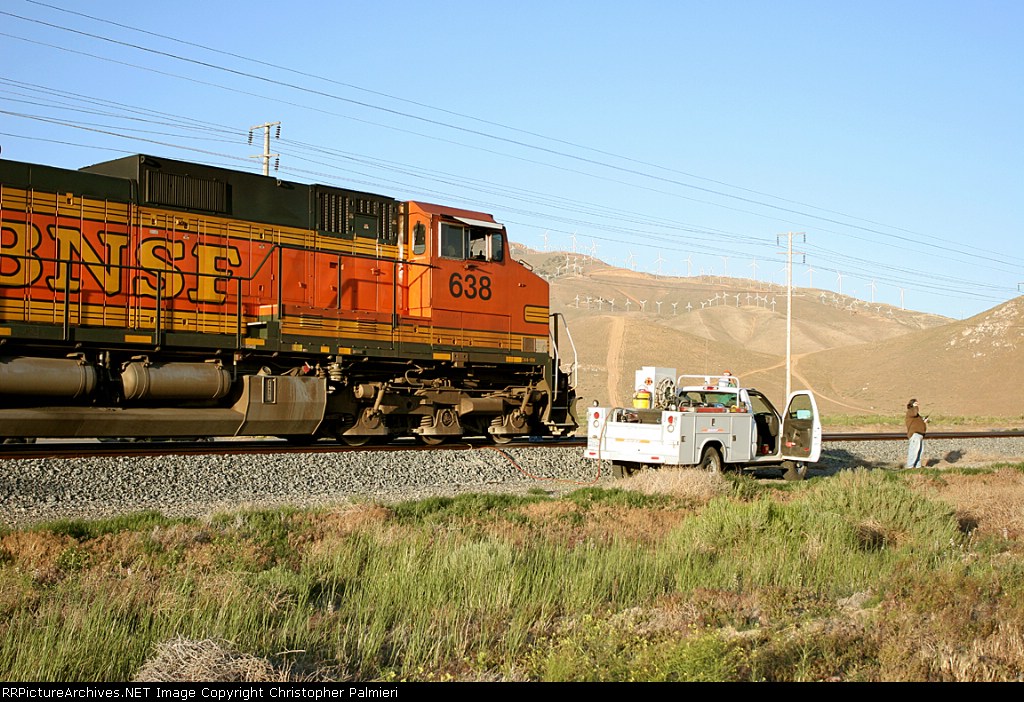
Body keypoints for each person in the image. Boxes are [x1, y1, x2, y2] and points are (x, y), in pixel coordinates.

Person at [905, 398, 928, 468]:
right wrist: (915, 406)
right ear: (912, 404)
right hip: (915, 434)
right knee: (914, 451)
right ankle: (910, 466)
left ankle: (918, 466)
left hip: (920, 434)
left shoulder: (917, 415)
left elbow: (918, 419)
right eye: (916, 403)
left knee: (920, 451)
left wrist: (924, 421)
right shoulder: (910, 411)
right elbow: (914, 413)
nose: (917, 405)